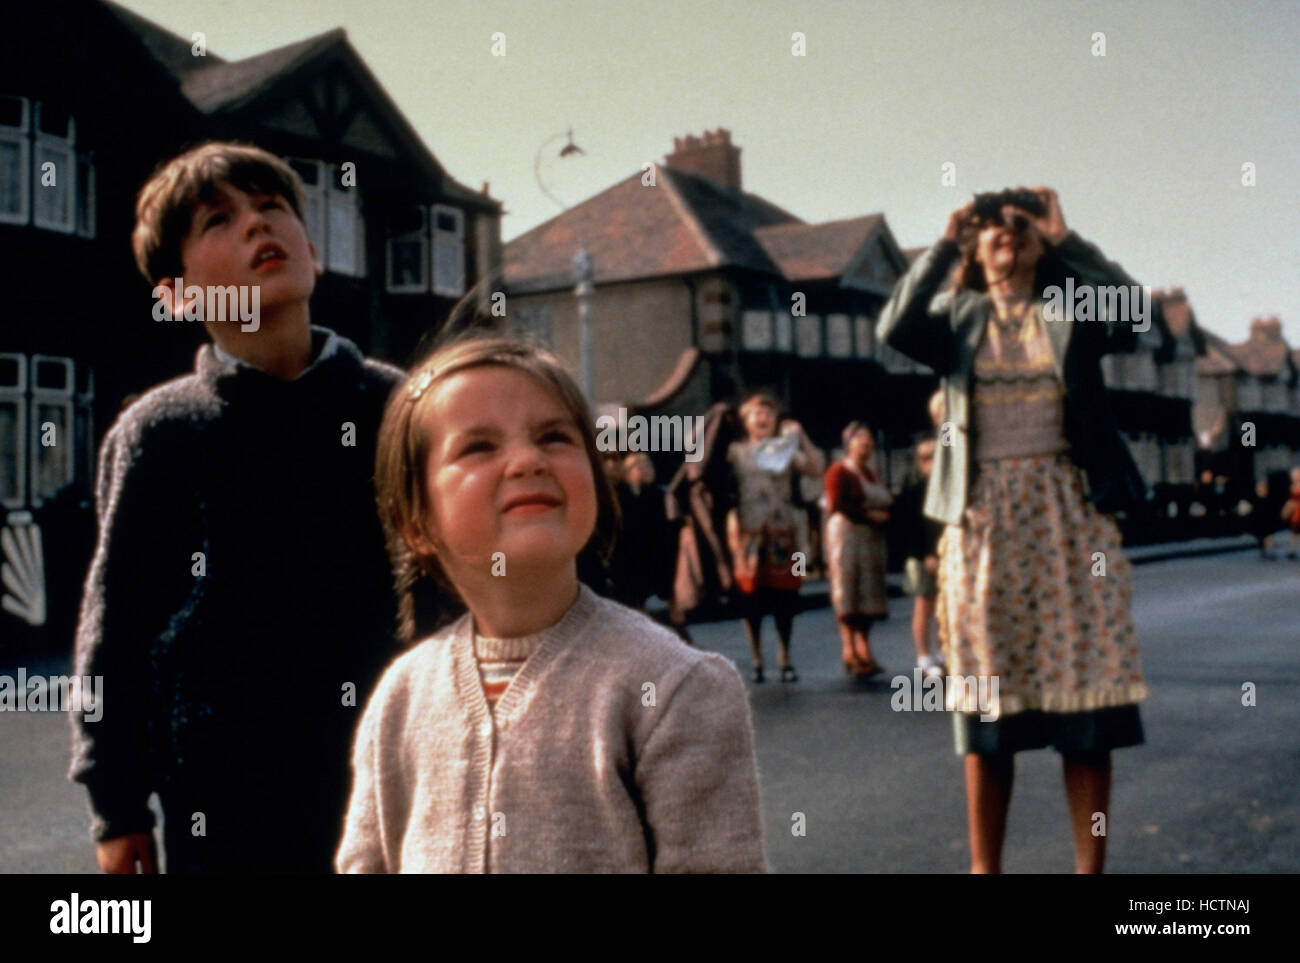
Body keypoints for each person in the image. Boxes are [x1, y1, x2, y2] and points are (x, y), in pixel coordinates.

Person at [67, 142, 405, 874]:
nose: (258, 226)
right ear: (179, 294)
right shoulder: (158, 433)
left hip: (400, 773)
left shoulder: (397, 408)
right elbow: (115, 629)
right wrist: (117, 805)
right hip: (225, 801)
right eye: (219, 219)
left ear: (313, 253)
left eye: (272, 206)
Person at [337, 336, 766, 873]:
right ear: (416, 523)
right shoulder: (399, 698)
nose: (527, 460)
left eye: (555, 437)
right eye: (479, 447)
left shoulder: (677, 688)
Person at [877, 186, 1150, 874]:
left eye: (1020, 227)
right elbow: (893, 325)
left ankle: (1091, 868)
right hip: (982, 519)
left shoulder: (1070, 312)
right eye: (992, 228)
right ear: (974, 248)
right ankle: (985, 868)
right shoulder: (956, 319)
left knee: (1085, 693)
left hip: (1068, 512)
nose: (1008, 234)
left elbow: (1132, 309)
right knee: (990, 707)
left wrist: (1066, 236)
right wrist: (942, 244)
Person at [725, 392, 825, 683]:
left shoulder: (786, 451)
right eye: (756, 413)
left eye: (768, 413)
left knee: (788, 596)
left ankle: (785, 656)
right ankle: (756, 657)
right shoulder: (736, 451)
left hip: (786, 534)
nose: (763, 418)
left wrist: (800, 436)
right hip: (749, 533)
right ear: (746, 421)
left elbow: (816, 468)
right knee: (750, 598)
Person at [823, 422, 892, 677]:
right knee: (848, 589)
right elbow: (837, 504)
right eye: (860, 437)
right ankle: (848, 648)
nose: (866, 442)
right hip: (847, 534)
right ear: (848, 442)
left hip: (870, 538)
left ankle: (865, 647)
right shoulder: (838, 470)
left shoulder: (872, 473)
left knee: (868, 592)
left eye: (869, 437)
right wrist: (869, 516)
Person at [895, 438, 946, 677]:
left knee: (944, 607)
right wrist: (925, 554)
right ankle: (924, 656)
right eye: (926, 458)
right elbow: (911, 527)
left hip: (943, 554)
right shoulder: (916, 491)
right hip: (923, 556)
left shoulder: (946, 489)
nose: (932, 463)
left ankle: (943, 652)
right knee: (924, 605)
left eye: (936, 456)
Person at [608, 452, 676, 612]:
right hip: (628, 566)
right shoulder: (619, 497)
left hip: (655, 562)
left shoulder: (658, 495)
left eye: (648, 465)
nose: (647, 469)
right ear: (627, 471)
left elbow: (665, 534)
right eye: (640, 466)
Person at [1284, 467, 1300, 559]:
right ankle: (1293, 550)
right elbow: (1290, 499)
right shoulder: (1292, 486)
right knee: (1294, 531)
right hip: (1295, 511)